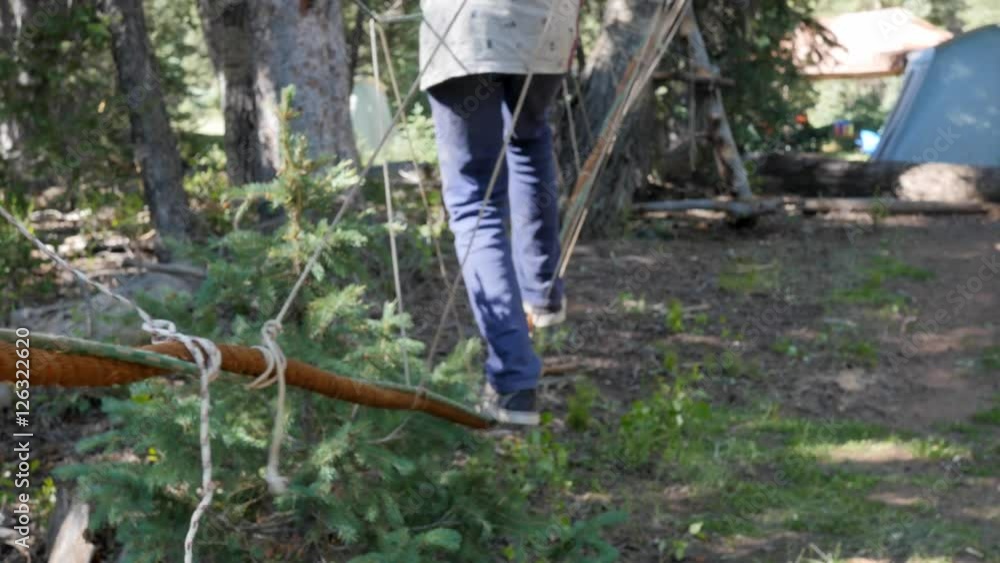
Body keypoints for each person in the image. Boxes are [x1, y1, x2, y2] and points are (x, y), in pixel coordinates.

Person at [419, 0, 579, 425]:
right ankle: (542, 295)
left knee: (474, 199)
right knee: (529, 138)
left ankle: (513, 381)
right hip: (546, 20)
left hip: (465, 26)